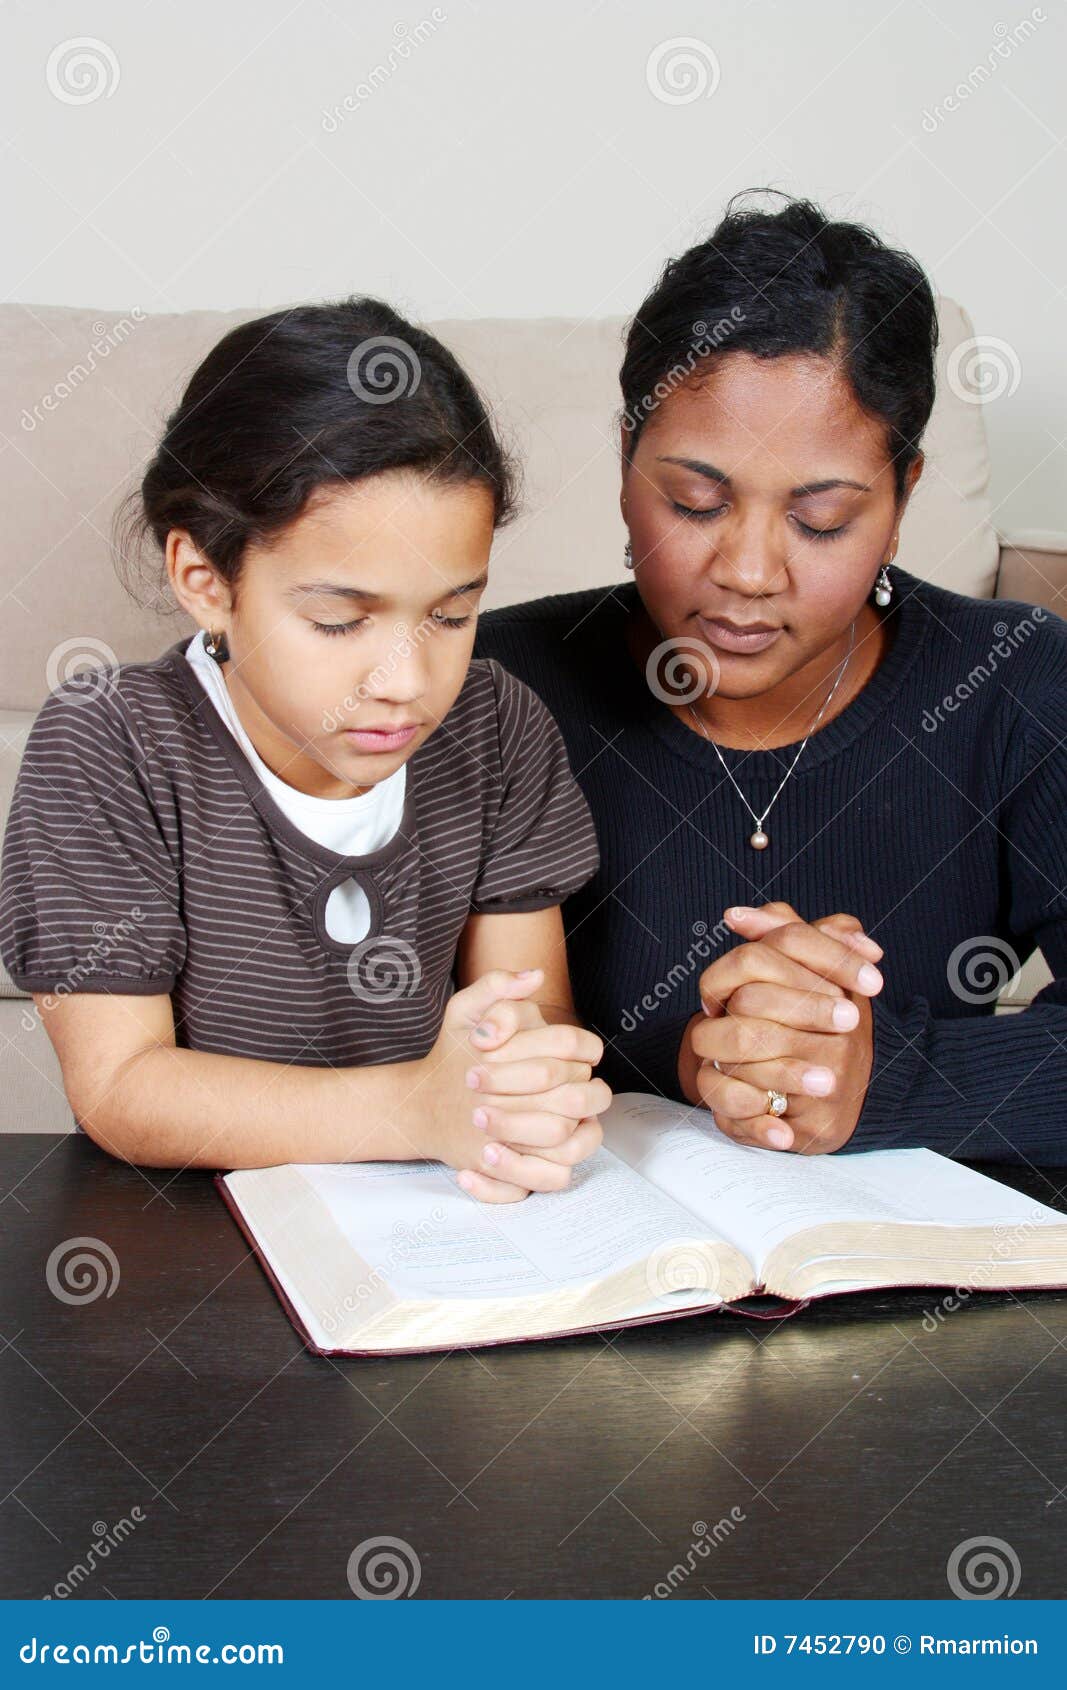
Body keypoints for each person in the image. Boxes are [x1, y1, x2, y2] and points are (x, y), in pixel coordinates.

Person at [476, 193, 1067, 1164]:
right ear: (625, 460)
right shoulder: (492, 689)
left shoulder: (1015, 685)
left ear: (902, 494)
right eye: (694, 501)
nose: (748, 572)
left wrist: (875, 1078)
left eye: (820, 519)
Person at [0, 298, 610, 1201]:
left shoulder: (497, 729)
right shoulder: (109, 743)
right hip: (186, 1245)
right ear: (205, 581)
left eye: (451, 614)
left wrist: (525, 1084)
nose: (406, 681)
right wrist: (413, 1110)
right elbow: (121, 1088)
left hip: (438, 1229)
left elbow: (529, 1013)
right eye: (338, 621)